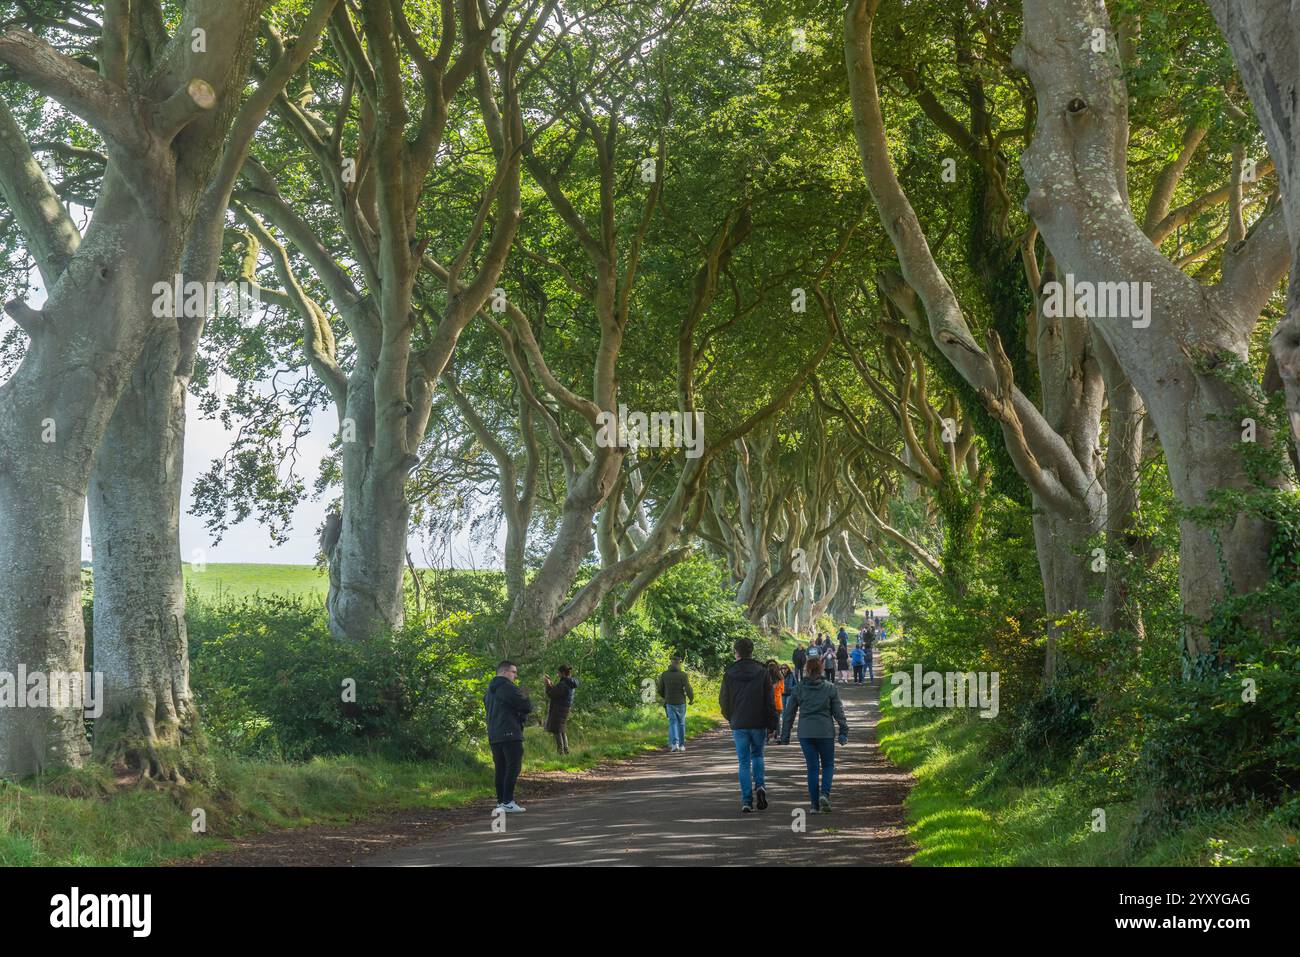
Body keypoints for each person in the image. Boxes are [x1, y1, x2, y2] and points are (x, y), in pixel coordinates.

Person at [778, 657, 848, 813]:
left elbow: (788, 714)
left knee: (812, 768)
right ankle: (825, 794)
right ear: (821, 669)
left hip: (805, 733)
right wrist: (843, 731)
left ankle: (814, 805)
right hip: (825, 732)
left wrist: (785, 736)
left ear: (806, 670)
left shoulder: (799, 689)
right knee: (828, 765)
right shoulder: (830, 688)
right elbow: (838, 712)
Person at [719, 637, 776, 813]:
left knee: (743, 762)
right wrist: (772, 723)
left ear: (736, 652)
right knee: (757, 755)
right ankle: (760, 786)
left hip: (739, 723)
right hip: (758, 721)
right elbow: (769, 699)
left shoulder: (729, 673)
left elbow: (723, 700)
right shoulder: (762, 670)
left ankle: (746, 800)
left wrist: (731, 717)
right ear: (752, 651)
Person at [484, 660, 533, 813]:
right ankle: (508, 801)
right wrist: (525, 696)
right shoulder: (507, 687)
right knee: (513, 767)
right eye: (514, 672)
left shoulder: (489, 690)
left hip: (494, 734)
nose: (515, 676)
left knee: (501, 768)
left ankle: (501, 802)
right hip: (510, 732)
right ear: (505, 672)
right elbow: (526, 706)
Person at [656, 656, 695, 752]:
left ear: (671, 663)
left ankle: (674, 744)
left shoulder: (664, 675)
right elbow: (688, 688)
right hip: (681, 702)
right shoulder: (683, 675)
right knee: (681, 723)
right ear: (679, 663)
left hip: (669, 702)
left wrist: (665, 696)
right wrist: (691, 698)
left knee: (672, 722)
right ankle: (682, 745)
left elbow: (660, 689)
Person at [543, 665, 578, 754]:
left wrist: (547, 685)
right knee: (562, 730)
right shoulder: (570, 683)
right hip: (565, 708)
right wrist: (551, 685)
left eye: (558, 672)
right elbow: (557, 692)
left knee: (557, 730)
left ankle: (560, 752)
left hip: (559, 709)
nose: (557, 674)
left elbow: (552, 694)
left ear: (562, 673)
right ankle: (566, 751)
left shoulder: (563, 684)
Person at [766, 659, 784, 741]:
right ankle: (778, 736)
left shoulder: (765, 679)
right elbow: (782, 690)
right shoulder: (781, 679)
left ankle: (767, 736)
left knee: (767, 719)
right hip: (778, 703)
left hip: (768, 703)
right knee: (777, 721)